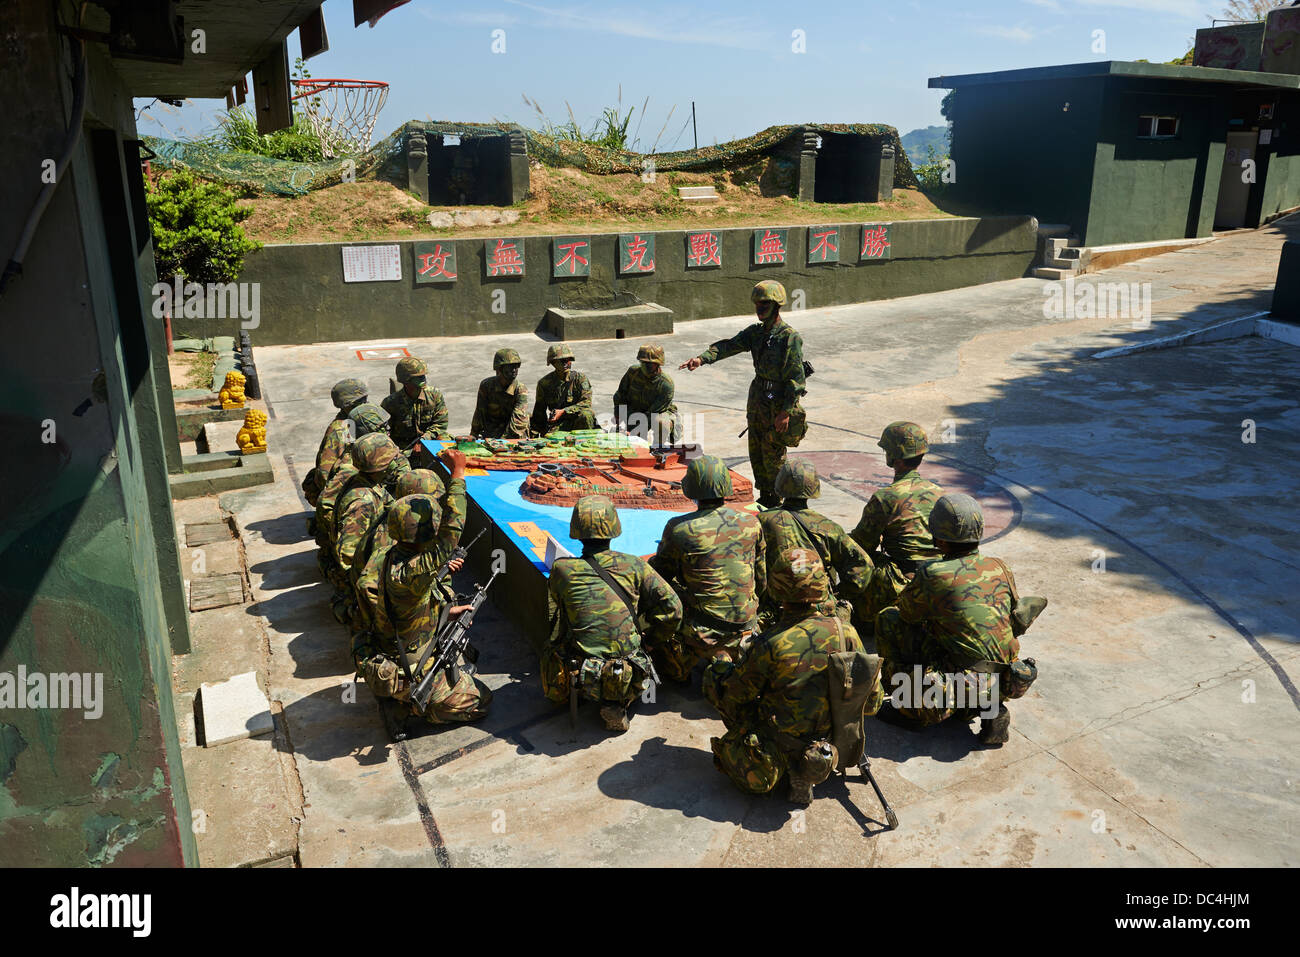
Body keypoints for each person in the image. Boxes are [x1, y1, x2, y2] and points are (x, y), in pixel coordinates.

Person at [705, 548, 883, 804]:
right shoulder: (846, 632)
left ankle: (778, 761)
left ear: (777, 589)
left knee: (717, 678)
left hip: (780, 741)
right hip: (830, 739)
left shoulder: (771, 643)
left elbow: (737, 693)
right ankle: (813, 764)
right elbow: (872, 700)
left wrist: (722, 663)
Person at [874, 493, 1033, 744]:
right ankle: (989, 708)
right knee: (967, 649)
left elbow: (906, 615)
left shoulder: (933, 573)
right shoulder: (999, 566)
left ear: (938, 535)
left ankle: (908, 705)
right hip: (1005, 678)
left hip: (956, 685)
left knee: (888, 619)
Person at [543, 496, 683, 732]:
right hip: (631, 670)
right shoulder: (634, 565)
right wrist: (651, 642)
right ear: (614, 528)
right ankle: (619, 700)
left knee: (552, 644)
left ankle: (563, 690)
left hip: (582, 667)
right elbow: (674, 609)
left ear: (576, 530)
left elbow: (554, 619)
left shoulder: (562, 569)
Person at [353, 494, 492, 725]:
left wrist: (446, 614)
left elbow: (415, 604)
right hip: (408, 671)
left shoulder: (392, 556)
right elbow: (451, 536)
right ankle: (420, 707)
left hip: (391, 649)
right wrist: (457, 475)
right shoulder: (414, 571)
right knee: (482, 699)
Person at [679, 280, 807, 507]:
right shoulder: (756, 333)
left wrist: (786, 412)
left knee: (773, 453)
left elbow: (796, 380)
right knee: (756, 450)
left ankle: (776, 501)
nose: (759, 308)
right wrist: (702, 359)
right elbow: (730, 345)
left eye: (764, 303)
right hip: (758, 397)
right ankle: (766, 497)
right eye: (757, 304)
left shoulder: (789, 337)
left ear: (777, 305)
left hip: (777, 402)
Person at [649, 455, 764, 682]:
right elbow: (761, 579)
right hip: (747, 625)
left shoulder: (679, 528)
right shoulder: (751, 523)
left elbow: (659, 576)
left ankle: (683, 659)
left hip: (703, 630)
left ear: (690, 486)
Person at [351, 453, 467, 641]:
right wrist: (458, 474)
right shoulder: (408, 563)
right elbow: (452, 529)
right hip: (403, 646)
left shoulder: (392, 546)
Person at [850, 422, 944, 632]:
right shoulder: (940, 493)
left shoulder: (885, 498)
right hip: (939, 579)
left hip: (901, 581)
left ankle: (865, 617)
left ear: (894, 455)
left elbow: (861, 544)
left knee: (852, 558)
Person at [757, 460, 873, 627]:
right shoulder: (827, 526)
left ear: (780, 485)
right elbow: (864, 566)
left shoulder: (763, 521)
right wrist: (838, 594)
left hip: (776, 609)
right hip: (819, 611)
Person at [332, 433, 410, 623]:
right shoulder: (362, 502)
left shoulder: (367, 483)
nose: (396, 462)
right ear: (381, 465)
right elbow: (347, 556)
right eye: (392, 459)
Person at [303, 377, 368, 506]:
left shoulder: (357, 421)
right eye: (359, 401)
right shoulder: (339, 431)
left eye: (365, 399)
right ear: (347, 405)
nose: (365, 404)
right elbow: (324, 475)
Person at [381, 356, 450, 463]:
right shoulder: (390, 403)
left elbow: (441, 424)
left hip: (430, 440)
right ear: (406, 379)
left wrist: (424, 440)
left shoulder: (434, 395)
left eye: (423, 376)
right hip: (404, 447)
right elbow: (384, 434)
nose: (423, 379)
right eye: (419, 377)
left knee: (447, 442)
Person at [612, 344, 680, 445]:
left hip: (657, 413)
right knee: (635, 444)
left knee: (661, 422)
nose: (646, 366)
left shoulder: (666, 384)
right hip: (635, 411)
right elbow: (620, 395)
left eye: (650, 363)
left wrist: (638, 429)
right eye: (643, 362)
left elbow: (653, 412)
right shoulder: (632, 372)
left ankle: (658, 448)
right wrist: (618, 414)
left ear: (658, 363)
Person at [531, 344, 597, 435]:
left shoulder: (580, 379)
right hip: (559, 424)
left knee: (587, 414)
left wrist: (563, 411)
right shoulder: (544, 383)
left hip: (578, 421)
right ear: (553, 363)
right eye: (562, 361)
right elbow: (539, 413)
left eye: (568, 360)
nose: (566, 363)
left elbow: (586, 403)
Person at [471, 348, 530, 439]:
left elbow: (518, 423)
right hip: (492, 432)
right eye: (510, 367)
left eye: (516, 366)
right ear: (499, 369)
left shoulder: (520, 389)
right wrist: (473, 436)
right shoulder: (486, 386)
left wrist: (501, 442)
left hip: (514, 434)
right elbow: (479, 413)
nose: (514, 370)